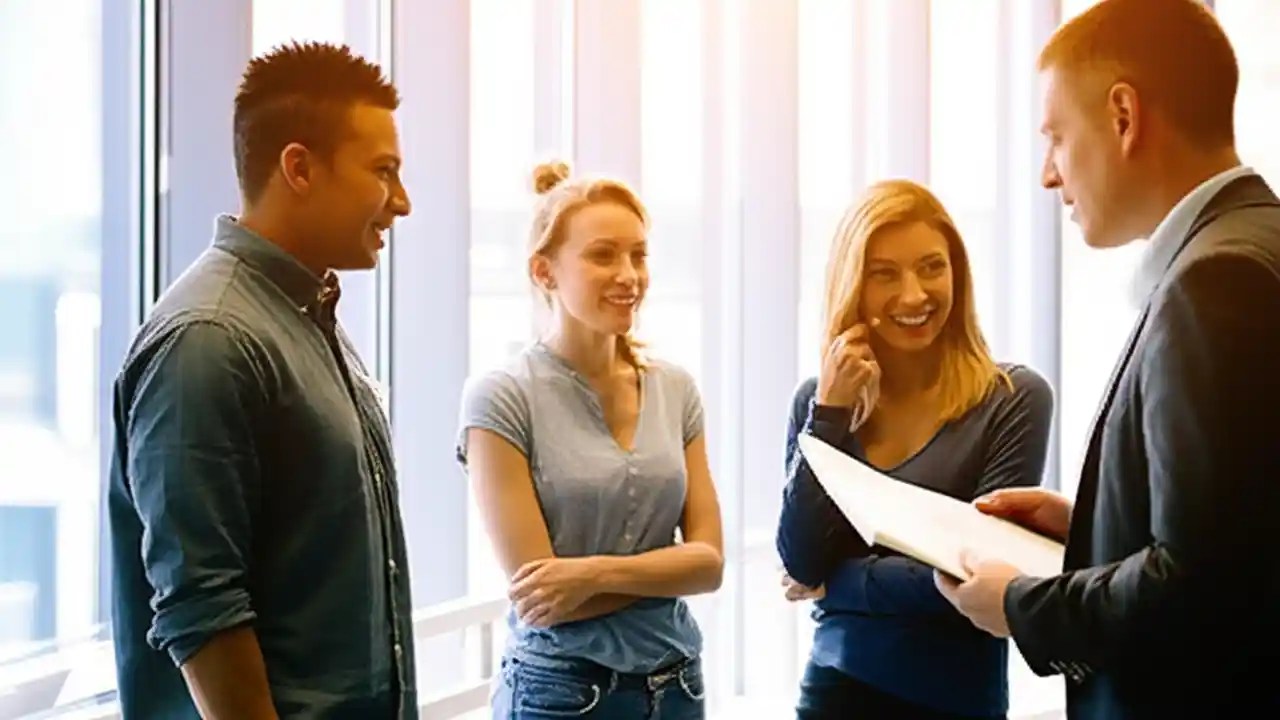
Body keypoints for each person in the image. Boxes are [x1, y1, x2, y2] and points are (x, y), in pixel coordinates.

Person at [934, 1, 1280, 718]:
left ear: (1123, 115)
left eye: (1056, 138)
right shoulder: (1256, 242)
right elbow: (1245, 530)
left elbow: (1198, 586)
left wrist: (1020, 605)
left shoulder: (1213, 285)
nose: (1047, 176)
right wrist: (1093, 523)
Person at [106, 42, 415, 719]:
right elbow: (202, 607)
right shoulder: (208, 339)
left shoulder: (307, 317)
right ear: (298, 167)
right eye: (383, 172)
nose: (403, 202)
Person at [776, 179, 1054, 720]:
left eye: (932, 266)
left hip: (957, 701)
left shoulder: (1013, 399)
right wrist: (830, 414)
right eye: (885, 273)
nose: (914, 295)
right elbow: (801, 556)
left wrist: (837, 582)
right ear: (854, 285)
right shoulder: (817, 401)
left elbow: (978, 579)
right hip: (834, 692)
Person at [456, 160, 724, 719]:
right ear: (544, 271)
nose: (629, 274)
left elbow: (709, 564)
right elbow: (542, 599)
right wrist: (664, 571)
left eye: (638, 254)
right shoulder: (501, 397)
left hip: (679, 688)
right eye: (603, 255)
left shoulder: (675, 388)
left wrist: (590, 574)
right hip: (562, 693)